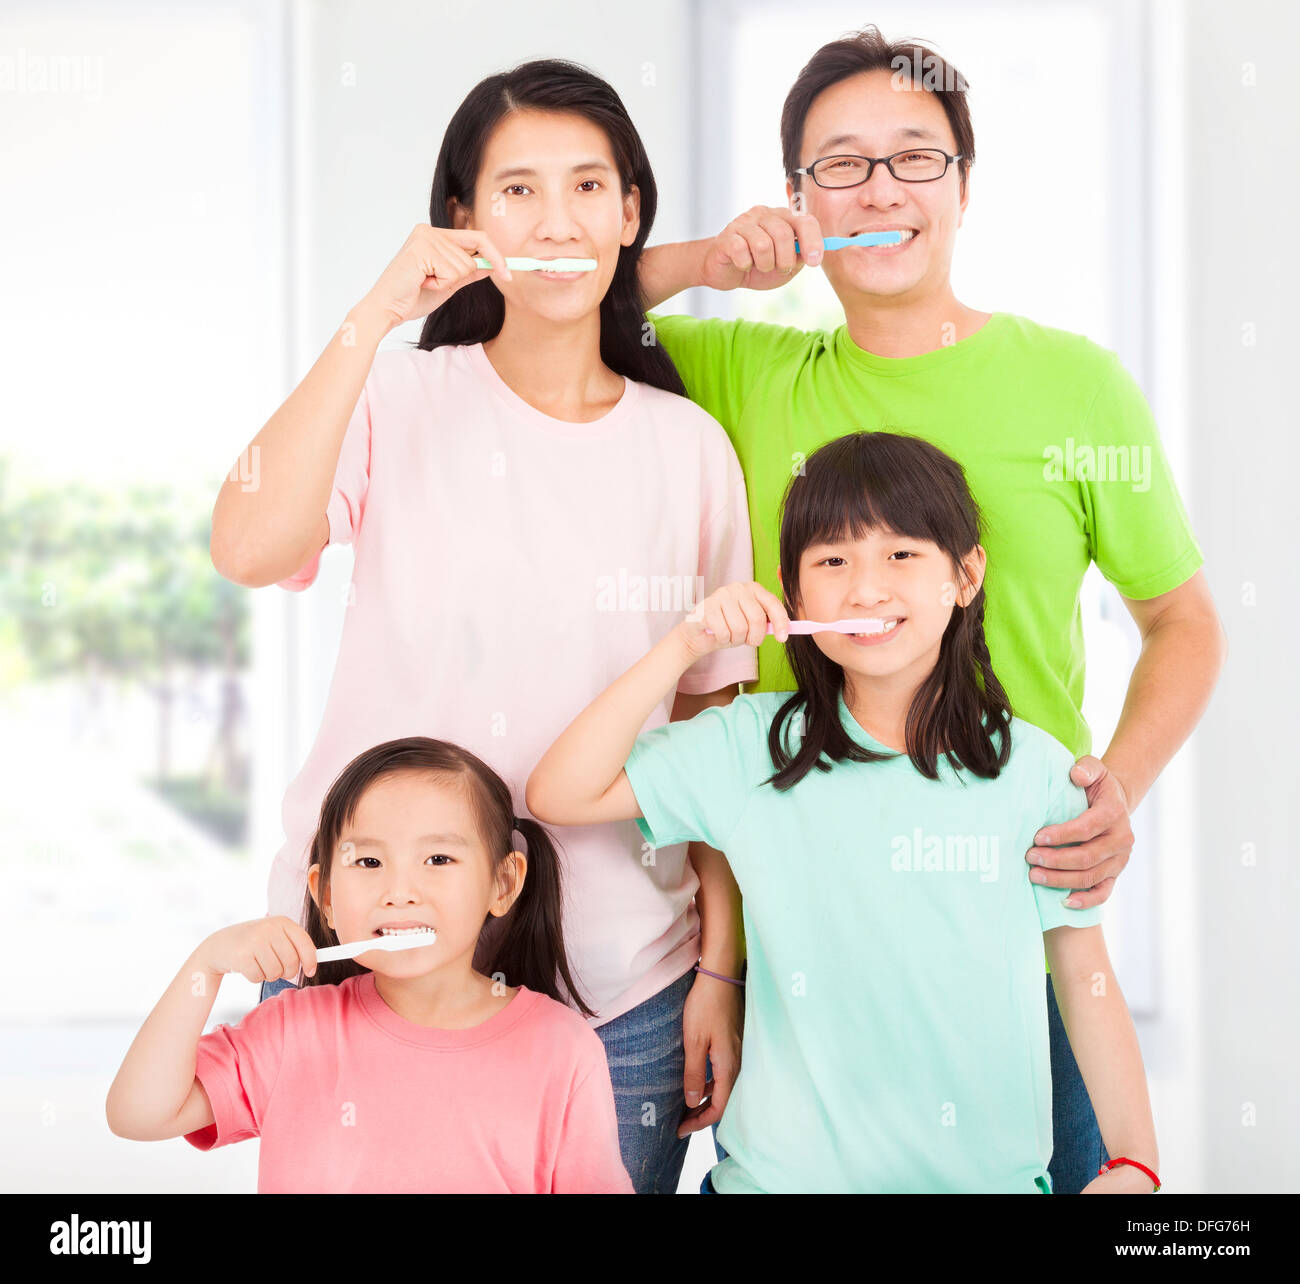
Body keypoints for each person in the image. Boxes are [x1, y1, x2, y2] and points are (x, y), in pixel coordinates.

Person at [634, 26, 1225, 1191]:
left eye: (916, 158)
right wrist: (708, 256)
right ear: (798, 196)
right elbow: (549, 311)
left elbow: (1186, 621)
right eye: (839, 164)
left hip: (1017, 928)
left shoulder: (1076, 386)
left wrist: (1117, 784)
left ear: (964, 183)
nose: (881, 189)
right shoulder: (750, 372)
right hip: (813, 945)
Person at [208, 60, 756, 1193]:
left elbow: (710, 733)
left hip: (622, 986)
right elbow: (249, 548)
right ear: (461, 220)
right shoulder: (398, 396)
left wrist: (722, 968)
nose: (556, 220)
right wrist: (370, 320)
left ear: (630, 211)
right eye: (516, 191)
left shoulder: (689, 449)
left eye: (587, 186)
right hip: (367, 960)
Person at [527, 430, 1161, 1194]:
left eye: (902, 555)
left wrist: (1136, 1163)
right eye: (833, 561)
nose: (866, 589)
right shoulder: (747, 749)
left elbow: (1085, 977)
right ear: (794, 599)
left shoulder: (1035, 772)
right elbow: (559, 791)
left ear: (966, 578)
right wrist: (683, 645)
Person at [106, 737, 634, 1193]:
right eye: (369, 862)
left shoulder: (561, 1049)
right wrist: (207, 964)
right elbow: (138, 1113)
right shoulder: (293, 1030)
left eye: (438, 860)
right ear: (326, 895)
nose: (399, 892)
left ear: (503, 883)